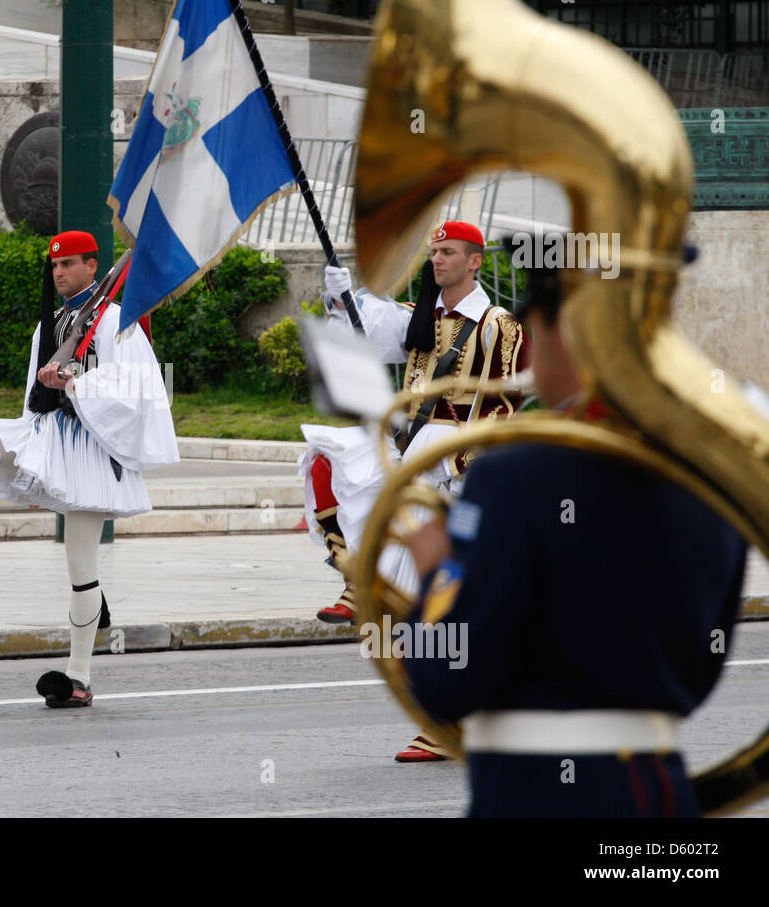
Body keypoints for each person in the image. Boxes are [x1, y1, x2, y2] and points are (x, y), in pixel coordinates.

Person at [399, 256, 747, 816]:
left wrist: (435, 575)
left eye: (535, 330)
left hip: (536, 795)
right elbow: (700, 671)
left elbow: (446, 680)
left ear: (561, 331)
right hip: (661, 796)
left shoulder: (516, 475)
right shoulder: (714, 477)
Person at [0, 230, 179, 707]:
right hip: (52, 434)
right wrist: (34, 437)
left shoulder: (118, 322)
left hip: (95, 450)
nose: (59, 273)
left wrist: (76, 384)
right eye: (55, 266)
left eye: (70, 264)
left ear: (94, 267)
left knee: (82, 568)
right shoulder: (49, 324)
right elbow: (35, 399)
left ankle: (78, 677)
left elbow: (136, 392)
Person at [299, 220, 529, 761]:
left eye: (449, 253)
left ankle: (451, 721)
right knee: (325, 460)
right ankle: (355, 573)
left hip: (454, 466)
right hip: (407, 450)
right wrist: (341, 294)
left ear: (475, 261)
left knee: (440, 605)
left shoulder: (499, 325)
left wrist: (457, 461)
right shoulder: (422, 317)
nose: (438, 260)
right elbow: (366, 329)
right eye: (435, 253)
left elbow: (506, 405)